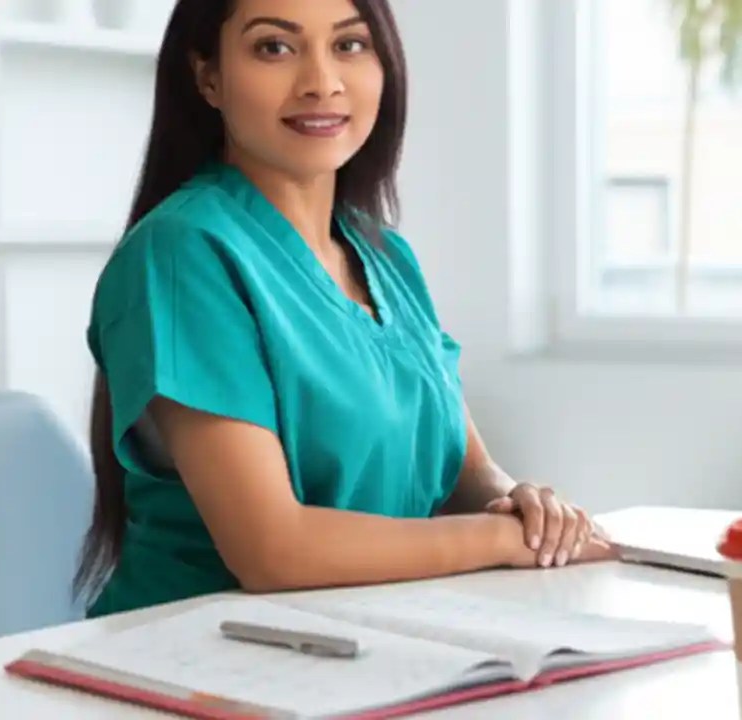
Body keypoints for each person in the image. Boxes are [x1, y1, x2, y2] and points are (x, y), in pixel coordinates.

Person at [74, 0, 615, 618]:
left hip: (378, 641)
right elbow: (272, 551)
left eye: (350, 46)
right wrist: (498, 539)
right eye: (275, 48)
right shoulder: (181, 255)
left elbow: (468, 476)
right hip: (196, 661)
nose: (322, 82)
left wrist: (526, 509)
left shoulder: (384, 255)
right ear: (208, 77)